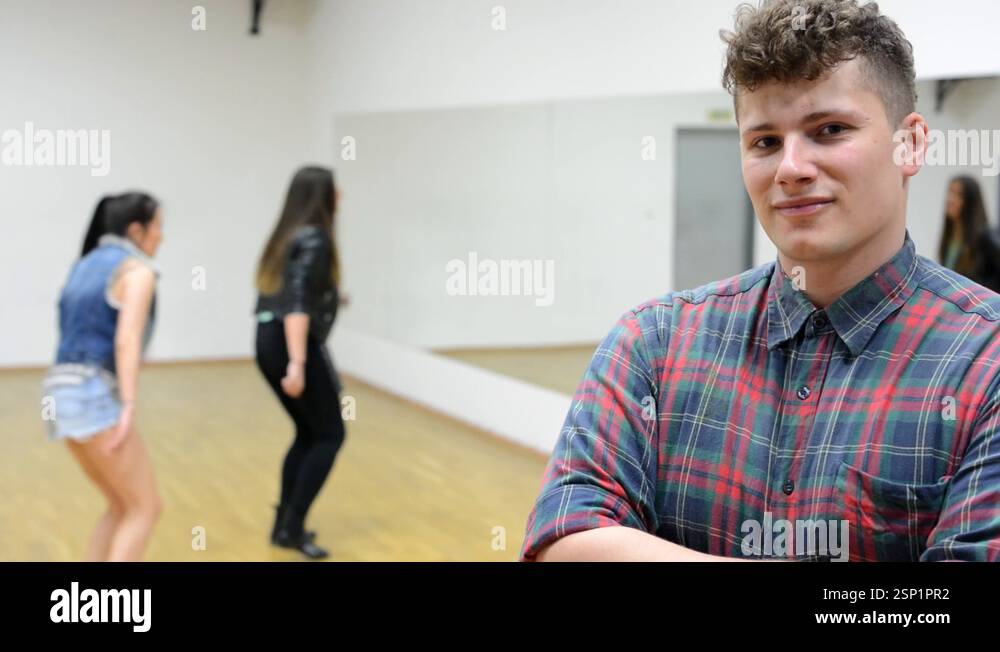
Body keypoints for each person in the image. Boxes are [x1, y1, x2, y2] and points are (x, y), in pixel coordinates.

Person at [521, 0, 1000, 561]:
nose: (791, 168)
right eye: (765, 141)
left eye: (830, 129)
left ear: (910, 143)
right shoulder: (653, 344)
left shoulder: (985, 362)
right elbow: (564, 538)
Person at [42, 192, 164, 561]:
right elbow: (127, 339)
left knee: (120, 505)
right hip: (94, 395)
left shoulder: (82, 266)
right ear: (136, 230)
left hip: (58, 394)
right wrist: (127, 405)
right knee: (145, 508)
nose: (162, 237)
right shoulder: (137, 272)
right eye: (158, 227)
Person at [254, 165, 347, 560]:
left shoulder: (288, 233)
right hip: (292, 344)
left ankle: (284, 524)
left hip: (267, 338)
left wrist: (330, 298)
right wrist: (297, 364)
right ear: (322, 195)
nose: (341, 194)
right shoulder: (315, 237)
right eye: (334, 188)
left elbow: (292, 294)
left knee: (309, 433)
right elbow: (295, 305)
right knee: (329, 435)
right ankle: (292, 527)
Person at [938, 175, 1000, 292]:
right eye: (950, 192)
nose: (951, 199)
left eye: (959, 195)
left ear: (971, 201)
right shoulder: (949, 238)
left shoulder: (986, 238)